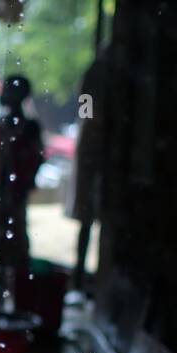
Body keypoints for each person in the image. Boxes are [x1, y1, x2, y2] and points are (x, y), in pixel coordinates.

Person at [0, 74, 44, 307]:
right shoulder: (0, 124)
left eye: (10, 91)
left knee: (13, 241)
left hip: (14, 194)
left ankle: (16, 292)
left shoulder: (28, 128)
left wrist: (26, 183)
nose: (5, 95)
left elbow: (37, 158)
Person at [66, 48, 107, 294]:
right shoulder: (103, 66)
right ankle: (79, 279)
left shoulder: (105, 65)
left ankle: (82, 279)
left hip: (99, 147)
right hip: (95, 148)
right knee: (87, 218)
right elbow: (85, 104)